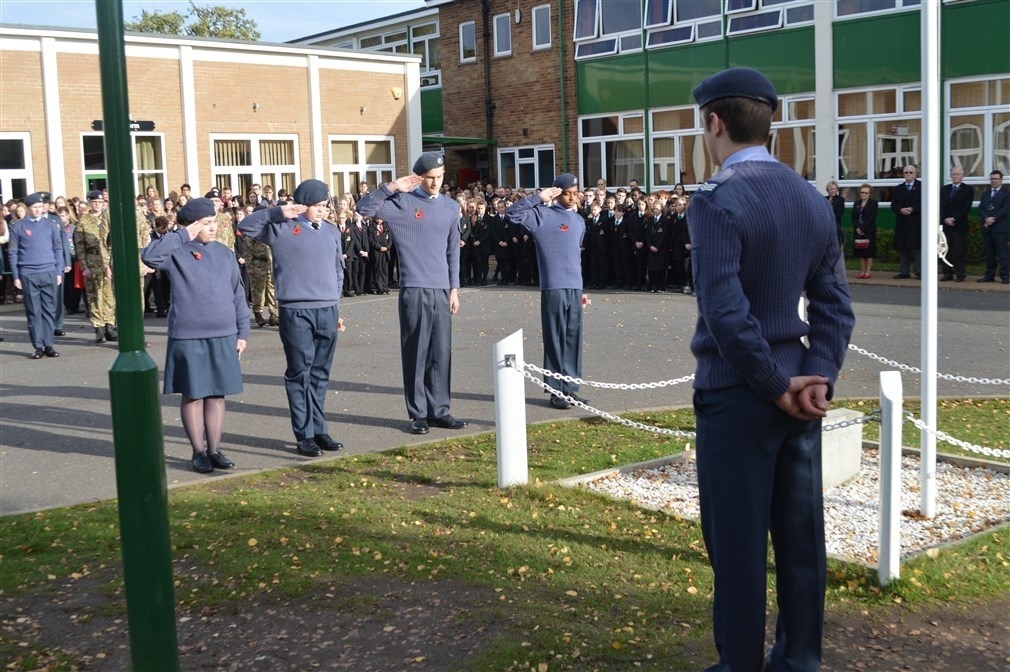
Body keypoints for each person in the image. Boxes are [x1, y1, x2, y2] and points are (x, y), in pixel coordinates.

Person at [688, 67, 854, 672]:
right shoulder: (811, 199)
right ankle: (800, 659)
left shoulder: (716, 199)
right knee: (801, 538)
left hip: (740, 393)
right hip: (800, 394)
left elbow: (725, 314)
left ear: (715, 122)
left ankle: (741, 664)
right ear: (770, 124)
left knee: (737, 545)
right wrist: (818, 378)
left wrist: (774, 385)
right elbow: (835, 305)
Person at [355, 152, 467, 435]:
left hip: (441, 289)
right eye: (429, 177)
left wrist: (454, 289)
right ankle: (418, 413)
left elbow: (453, 251)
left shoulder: (451, 207)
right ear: (418, 178)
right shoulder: (402, 204)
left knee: (441, 353)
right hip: (414, 288)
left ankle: (440, 410)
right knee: (416, 352)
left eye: (439, 177)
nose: (435, 182)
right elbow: (364, 208)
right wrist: (392, 187)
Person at [239, 179, 346, 457]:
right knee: (300, 373)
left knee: (320, 374)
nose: (322, 210)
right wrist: (278, 212)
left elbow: (338, 270)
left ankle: (319, 428)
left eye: (325, 206)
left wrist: (335, 304)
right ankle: (304, 434)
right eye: (316, 206)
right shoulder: (281, 229)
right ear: (301, 206)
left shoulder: (332, 232)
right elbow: (246, 226)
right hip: (296, 310)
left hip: (327, 309)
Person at [142, 198, 248, 474]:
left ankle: (214, 450)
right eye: (205, 223)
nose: (212, 228)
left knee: (216, 395)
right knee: (193, 394)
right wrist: (181, 235)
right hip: (189, 334)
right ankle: (198, 452)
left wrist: (243, 331)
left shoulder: (224, 253)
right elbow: (149, 257)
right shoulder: (176, 251)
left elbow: (238, 294)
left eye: (214, 222)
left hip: (223, 333)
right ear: (191, 226)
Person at [505, 174, 587, 410]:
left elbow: (575, 255)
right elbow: (512, 214)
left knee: (573, 338)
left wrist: (581, 289)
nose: (571, 198)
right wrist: (538, 198)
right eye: (566, 193)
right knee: (555, 339)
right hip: (553, 286)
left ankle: (570, 388)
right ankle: (555, 390)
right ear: (556, 193)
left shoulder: (579, 221)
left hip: (574, 286)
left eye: (575, 193)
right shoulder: (542, 215)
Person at [7, 192, 66, 359]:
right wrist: (16, 276)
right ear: (28, 208)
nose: (38, 210)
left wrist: (58, 271)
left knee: (49, 310)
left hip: (49, 272)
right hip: (28, 273)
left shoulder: (51, 225)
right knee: (34, 311)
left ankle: (49, 344)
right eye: (35, 207)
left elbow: (58, 249)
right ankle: (38, 346)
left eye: (40, 207)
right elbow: (13, 253)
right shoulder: (18, 227)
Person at [74, 190, 119, 343]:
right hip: (92, 260)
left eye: (100, 202)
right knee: (94, 295)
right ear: (89, 203)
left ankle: (110, 325)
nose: (97, 205)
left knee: (109, 294)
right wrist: (84, 267)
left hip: (109, 260)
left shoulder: (109, 218)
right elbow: (80, 247)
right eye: (94, 202)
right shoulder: (83, 221)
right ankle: (98, 327)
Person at [939, 167, 973, 282]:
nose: (955, 176)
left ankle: (960, 274)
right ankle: (947, 273)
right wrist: (945, 218)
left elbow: (966, 207)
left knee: (959, 251)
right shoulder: (945, 189)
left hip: (959, 225)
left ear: (962, 176)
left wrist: (954, 219)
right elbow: (940, 206)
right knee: (945, 250)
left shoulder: (968, 189)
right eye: (953, 174)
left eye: (957, 174)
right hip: (945, 224)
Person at [890, 164, 922, 279]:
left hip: (917, 221)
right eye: (906, 172)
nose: (908, 174)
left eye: (911, 172)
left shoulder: (922, 187)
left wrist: (913, 209)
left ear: (915, 174)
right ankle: (904, 271)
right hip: (903, 221)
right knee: (903, 247)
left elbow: (925, 202)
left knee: (918, 247)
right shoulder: (898, 188)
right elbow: (893, 204)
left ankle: (919, 271)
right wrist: (900, 210)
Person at [851, 183, 878, 279]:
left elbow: (872, 218)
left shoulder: (874, 203)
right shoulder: (857, 203)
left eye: (866, 193)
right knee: (860, 251)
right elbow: (853, 217)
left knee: (869, 252)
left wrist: (863, 229)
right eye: (862, 192)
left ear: (870, 194)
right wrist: (857, 228)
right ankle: (862, 272)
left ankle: (867, 272)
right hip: (858, 231)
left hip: (869, 230)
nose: (864, 194)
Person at [825, 180, 846, 251]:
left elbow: (839, 213)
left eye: (834, 189)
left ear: (837, 189)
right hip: (826, 226)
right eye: (831, 189)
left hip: (835, 225)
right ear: (828, 190)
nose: (832, 191)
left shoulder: (840, 199)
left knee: (836, 245)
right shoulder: (825, 199)